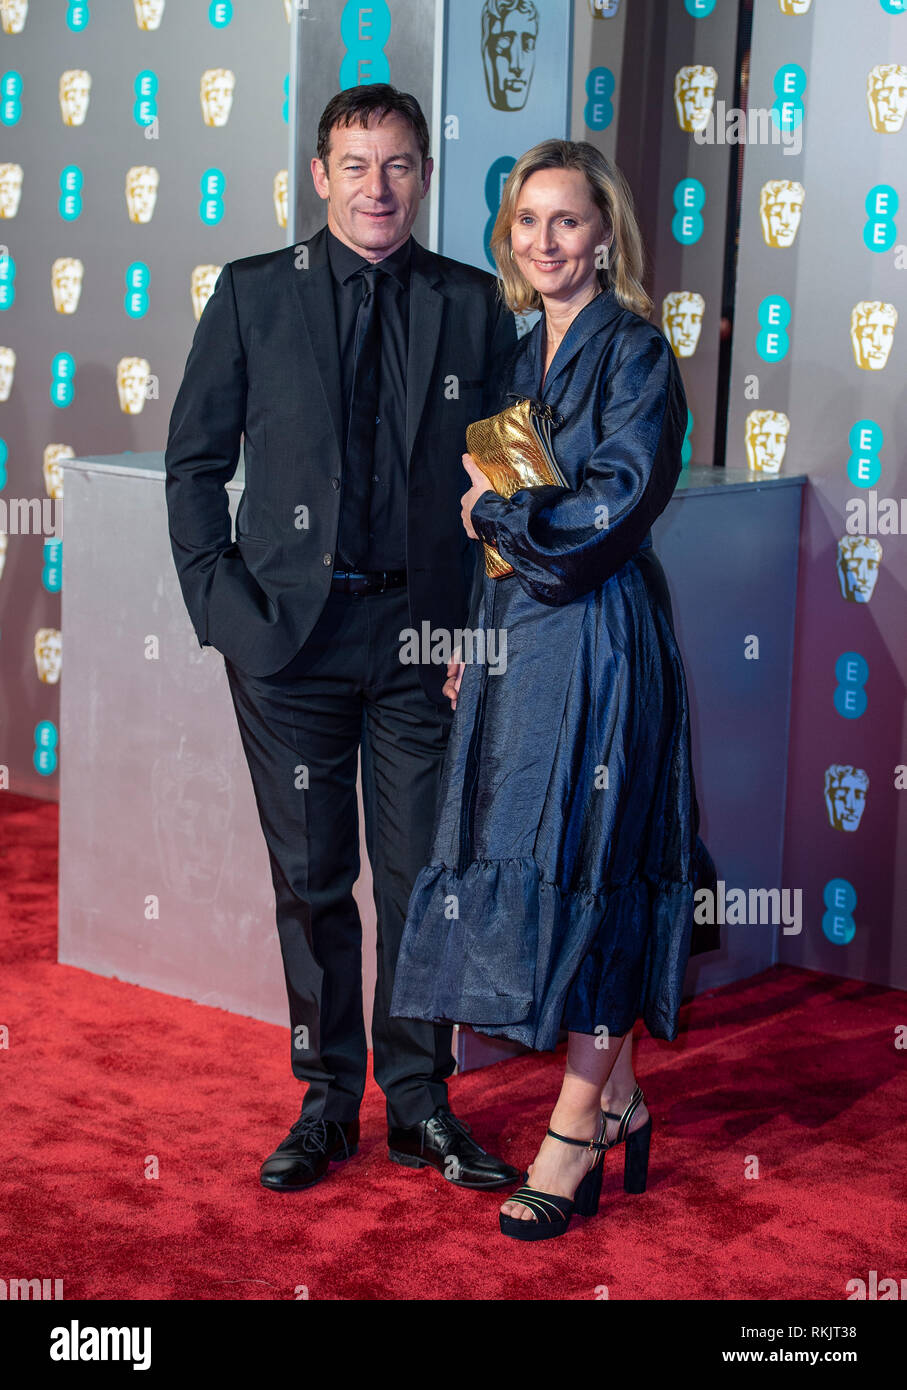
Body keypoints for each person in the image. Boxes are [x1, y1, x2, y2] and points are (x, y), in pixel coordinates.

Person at [164, 85, 520, 1195]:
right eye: (356, 164)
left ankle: (419, 1104)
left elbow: (509, 481)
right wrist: (226, 609)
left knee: (421, 880)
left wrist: (482, 624)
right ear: (319, 175)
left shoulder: (472, 304)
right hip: (290, 645)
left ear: (424, 175)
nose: (377, 187)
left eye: (400, 165)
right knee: (312, 881)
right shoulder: (253, 294)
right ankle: (326, 1102)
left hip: (422, 640)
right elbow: (193, 466)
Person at [390, 139, 719, 1240]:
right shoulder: (519, 353)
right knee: (542, 859)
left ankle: (573, 1129)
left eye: (566, 221)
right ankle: (617, 1096)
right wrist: (472, 637)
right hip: (520, 646)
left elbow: (598, 522)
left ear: (604, 234)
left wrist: (490, 513)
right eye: (526, 222)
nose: (544, 241)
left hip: (603, 646)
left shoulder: (637, 354)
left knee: (597, 865)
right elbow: (518, 542)